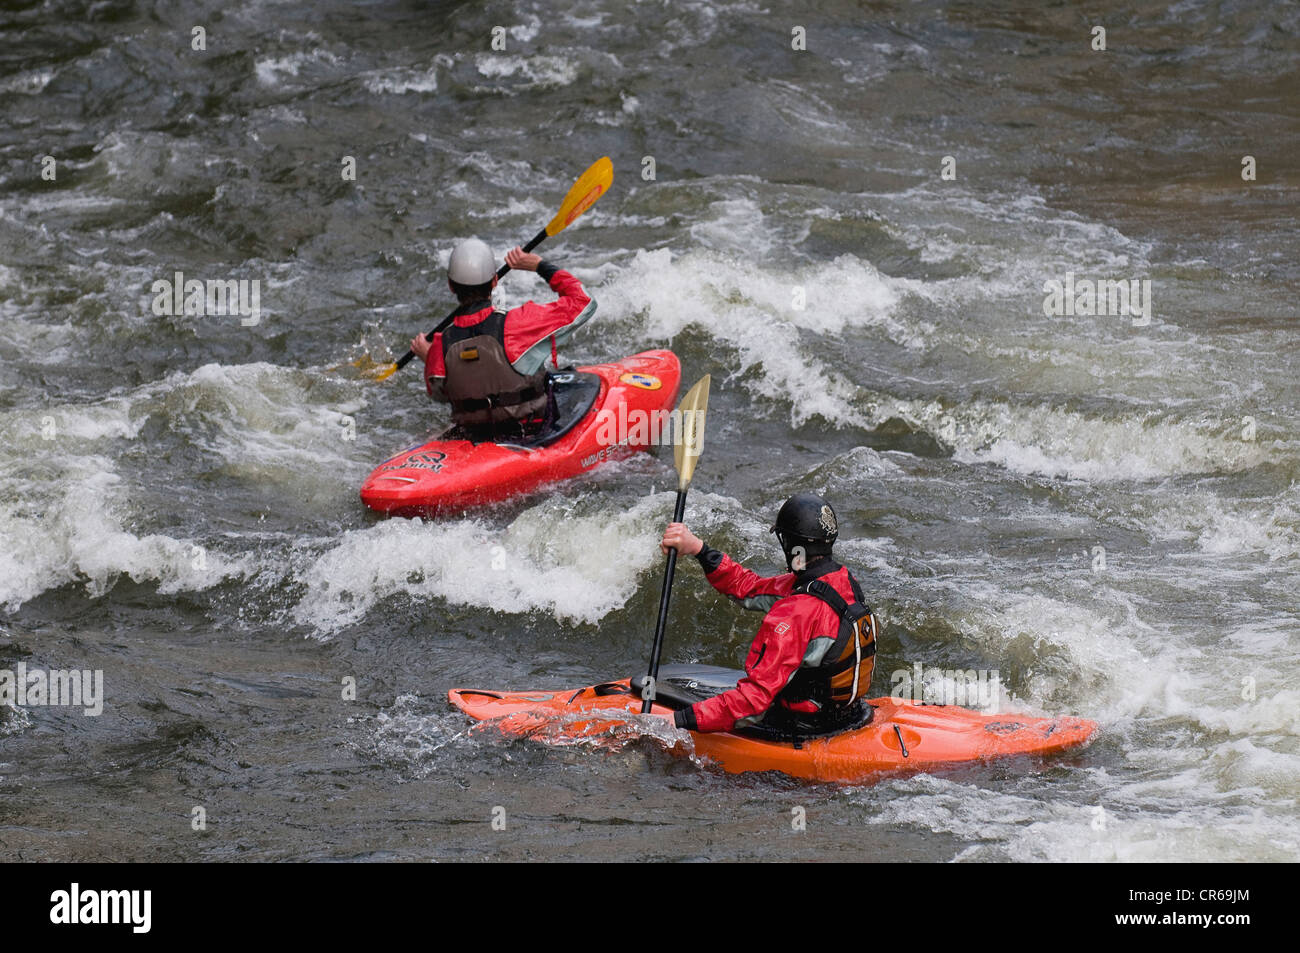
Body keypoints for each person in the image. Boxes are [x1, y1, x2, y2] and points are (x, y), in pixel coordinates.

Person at [658, 493, 879, 736]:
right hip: (848, 713)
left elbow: (751, 703)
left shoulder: (795, 612)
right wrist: (698, 549)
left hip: (804, 726)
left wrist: (674, 722)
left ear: (793, 546)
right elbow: (748, 587)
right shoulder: (841, 581)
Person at [409, 239, 596, 441]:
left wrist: (430, 358)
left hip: (474, 436)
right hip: (532, 434)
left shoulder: (440, 345)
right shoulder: (518, 324)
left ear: (451, 286)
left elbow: (440, 394)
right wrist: (539, 265)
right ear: (495, 281)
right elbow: (584, 302)